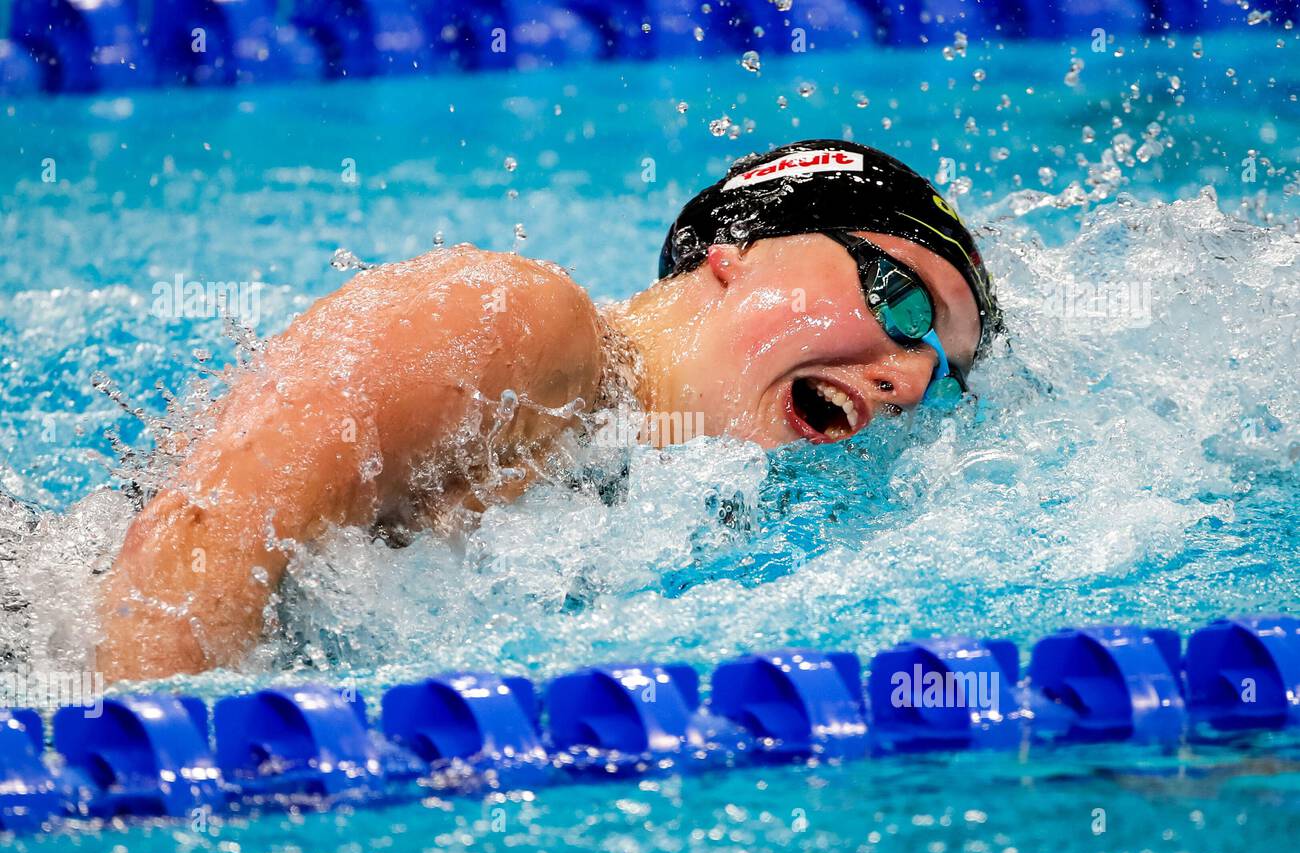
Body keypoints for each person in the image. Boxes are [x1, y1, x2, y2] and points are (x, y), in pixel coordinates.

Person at [96, 139, 1001, 682]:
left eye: (941, 368)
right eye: (900, 297)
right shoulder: (519, 325)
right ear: (738, 248)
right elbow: (197, 544)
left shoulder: (678, 504)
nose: (913, 380)